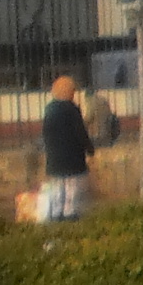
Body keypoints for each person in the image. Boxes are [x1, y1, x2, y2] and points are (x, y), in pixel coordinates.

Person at [38, 74, 92, 223]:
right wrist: (89, 148)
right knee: (71, 187)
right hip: (72, 156)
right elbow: (80, 132)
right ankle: (70, 213)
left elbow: (45, 133)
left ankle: (56, 214)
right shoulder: (72, 110)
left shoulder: (49, 110)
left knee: (57, 187)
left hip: (54, 156)